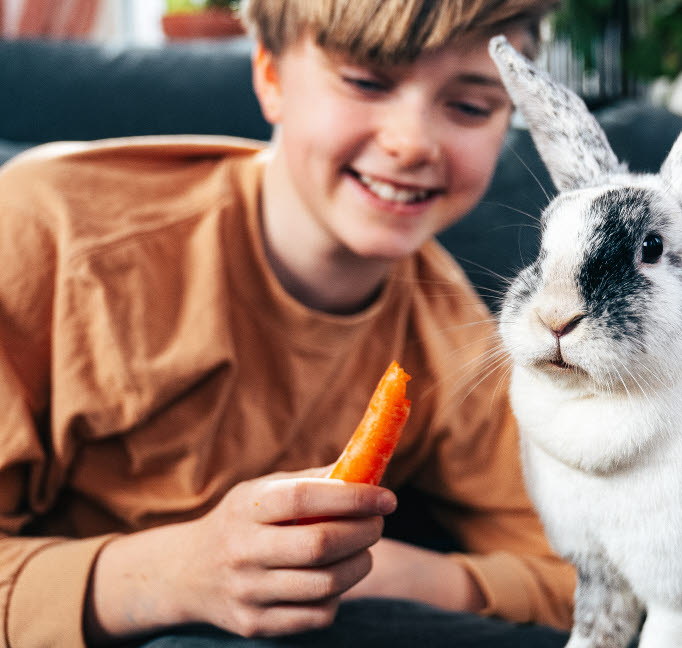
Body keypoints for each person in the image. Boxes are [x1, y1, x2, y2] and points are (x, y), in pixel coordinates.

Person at [0, 1, 575, 646]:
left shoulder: (451, 330)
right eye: (365, 83)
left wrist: (409, 577)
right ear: (270, 74)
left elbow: (580, 572)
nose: (412, 143)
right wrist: (174, 576)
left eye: (471, 107)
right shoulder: (45, 236)